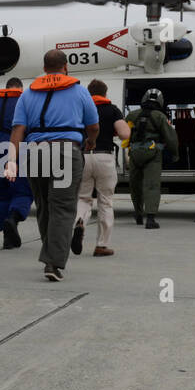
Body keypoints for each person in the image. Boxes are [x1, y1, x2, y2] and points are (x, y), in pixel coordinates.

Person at [5, 50, 98, 281]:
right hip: (66, 152)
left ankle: (50, 252)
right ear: (65, 67)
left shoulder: (27, 94)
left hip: (34, 152)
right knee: (63, 208)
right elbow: (93, 125)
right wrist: (91, 141)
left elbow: (17, 129)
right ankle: (53, 262)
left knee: (44, 206)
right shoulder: (79, 91)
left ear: (44, 68)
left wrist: (11, 160)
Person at [72, 78, 129, 257]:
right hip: (104, 156)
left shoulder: (81, 109)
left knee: (83, 198)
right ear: (105, 94)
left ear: (88, 93)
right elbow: (124, 133)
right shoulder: (112, 110)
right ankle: (101, 245)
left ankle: (79, 223)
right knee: (105, 201)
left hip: (82, 156)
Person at [0, 77, 32, 248]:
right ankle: (13, 218)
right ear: (20, 88)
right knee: (23, 190)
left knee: (1, 193)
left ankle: (7, 236)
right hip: (19, 146)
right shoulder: (24, 101)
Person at [125, 88, 178, 230]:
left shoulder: (132, 115)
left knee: (135, 185)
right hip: (153, 154)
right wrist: (175, 154)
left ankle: (138, 214)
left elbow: (124, 134)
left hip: (134, 153)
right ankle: (150, 219)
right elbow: (171, 138)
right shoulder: (160, 117)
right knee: (152, 185)